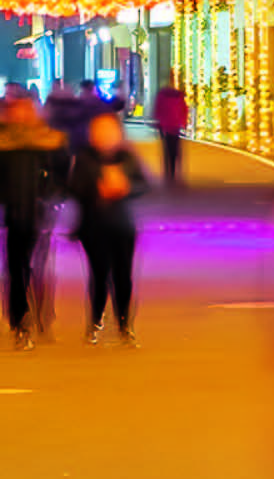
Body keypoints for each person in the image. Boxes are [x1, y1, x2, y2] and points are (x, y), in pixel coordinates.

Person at [65, 106, 147, 344]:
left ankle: (124, 325)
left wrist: (127, 188)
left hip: (123, 225)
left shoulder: (127, 157)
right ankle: (95, 321)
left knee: (123, 275)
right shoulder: (84, 157)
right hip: (94, 226)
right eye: (99, 130)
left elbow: (144, 184)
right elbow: (73, 189)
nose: (105, 135)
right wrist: (96, 189)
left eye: (109, 130)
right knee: (99, 274)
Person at [0, 89, 66, 343]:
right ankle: (20, 320)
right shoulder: (4, 144)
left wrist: (52, 197)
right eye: (15, 109)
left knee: (40, 268)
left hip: (40, 214)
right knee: (17, 268)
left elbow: (61, 175)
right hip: (14, 215)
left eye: (26, 108)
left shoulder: (48, 141)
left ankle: (42, 315)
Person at [152, 78, 191, 189]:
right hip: (175, 125)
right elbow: (184, 109)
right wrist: (183, 122)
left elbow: (158, 109)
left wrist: (158, 121)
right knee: (176, 148)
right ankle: (174, 171)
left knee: (167, 148)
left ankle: (169, 172)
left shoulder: (162, 95)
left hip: (165, 125)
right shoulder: (179, 96)